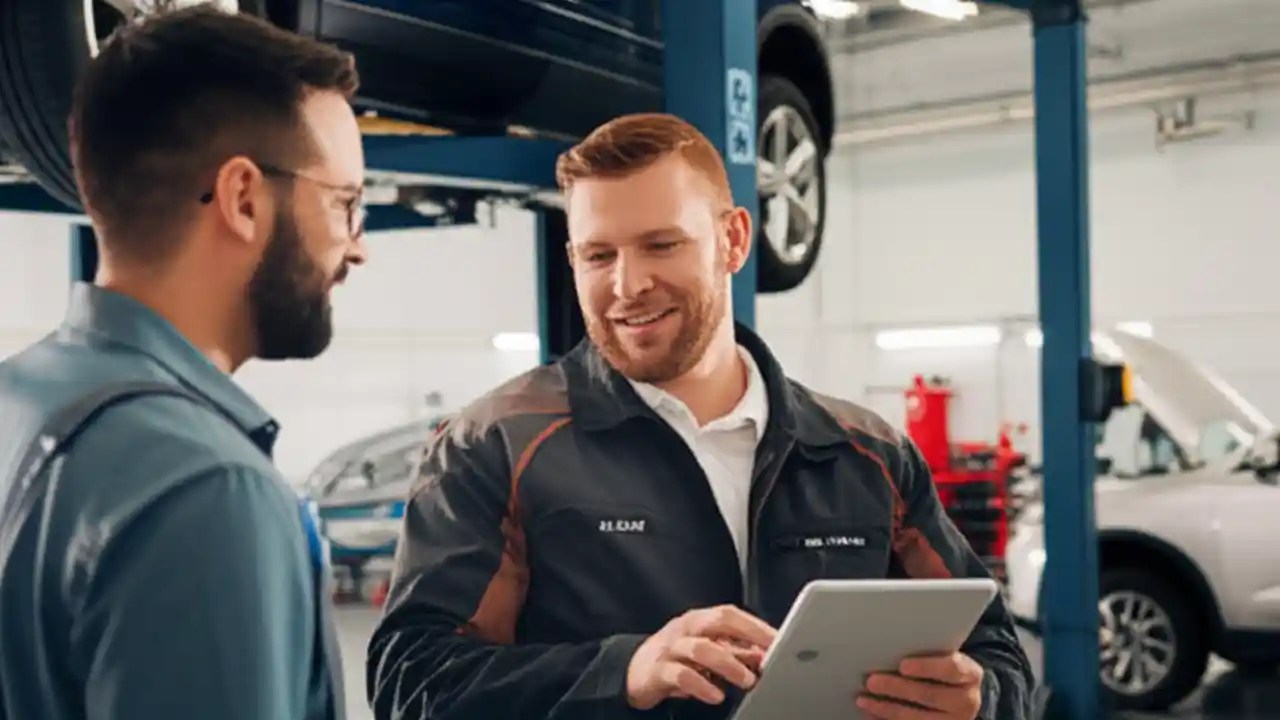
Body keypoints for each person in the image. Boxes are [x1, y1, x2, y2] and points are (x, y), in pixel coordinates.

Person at [367, 113, 1034, 720]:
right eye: (599, 255)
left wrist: (979, 702)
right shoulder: (498, 447)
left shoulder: (864, 455)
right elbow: (413, 683)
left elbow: (1000, 660)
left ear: (734, 240)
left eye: (661, 245)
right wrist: (622, 671)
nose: (627, 286)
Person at [0, 6, 367, 719]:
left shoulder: (18, 402)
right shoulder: (205, 487)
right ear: (241, 199)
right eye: (346, 204)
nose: (358, 246)